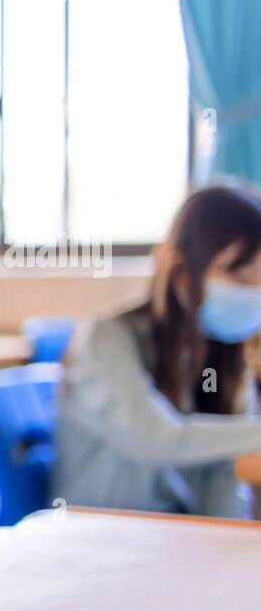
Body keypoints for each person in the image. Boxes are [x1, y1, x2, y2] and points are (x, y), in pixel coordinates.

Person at [54, 183, 261, 518]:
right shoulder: (105, 338)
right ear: (180, 273)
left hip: (176, 542)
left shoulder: (222, 355)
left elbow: (224, 475)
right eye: (239, 275)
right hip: (100, 540)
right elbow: (153, 438)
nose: (255, 293)